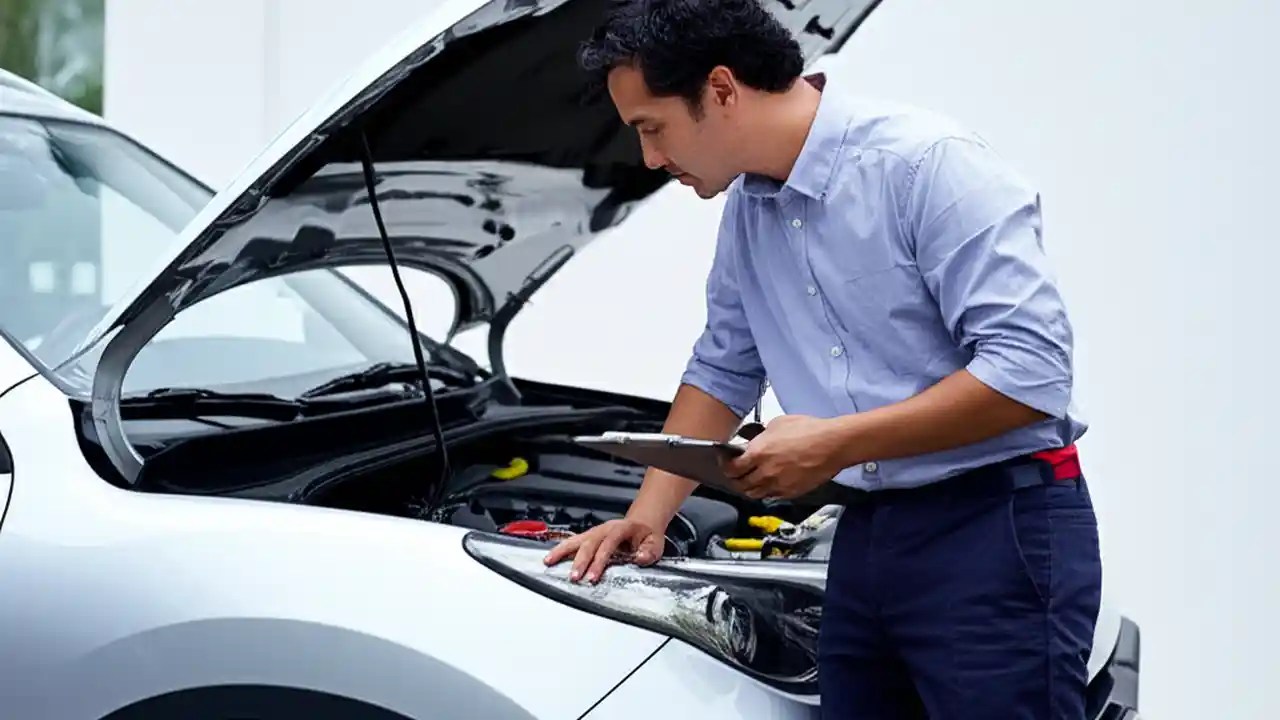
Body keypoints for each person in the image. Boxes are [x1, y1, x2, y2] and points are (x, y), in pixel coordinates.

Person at [543, 0, 1103, 717]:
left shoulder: (927, 166)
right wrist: (647, 519)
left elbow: (1032, 373)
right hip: (867, 532)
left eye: (653, 129)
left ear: (720, 90)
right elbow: (723, 366)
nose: (651, 160)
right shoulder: (748, 209)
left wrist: (835, 442)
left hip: (997, 524)